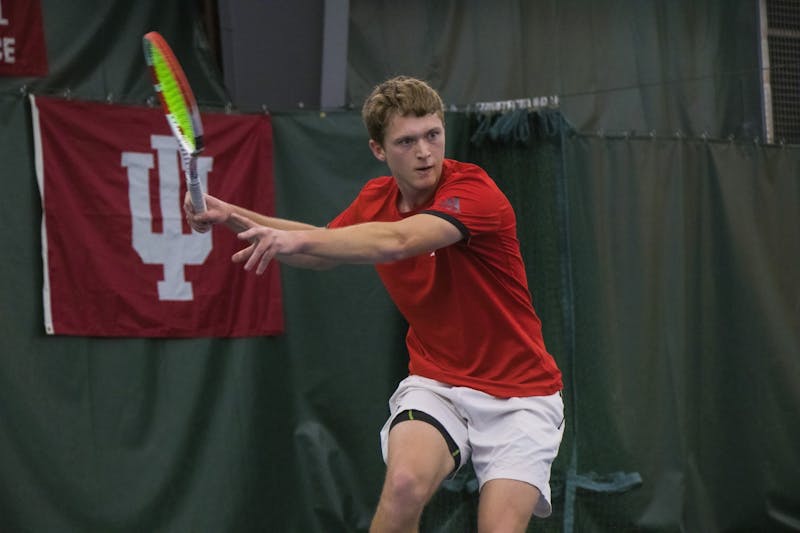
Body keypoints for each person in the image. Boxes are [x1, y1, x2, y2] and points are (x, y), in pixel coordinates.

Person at [185, 76, 564, 533]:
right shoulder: (374, 201)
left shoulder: (475, 192)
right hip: (438, 383)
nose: (424, 152)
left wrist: (296, 239)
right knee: (403, 485)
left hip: (520, 396)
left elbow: (398, 240)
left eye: (433, 135)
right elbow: (321, 249)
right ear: (378, 150)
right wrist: (231, 216)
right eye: (406, 141)